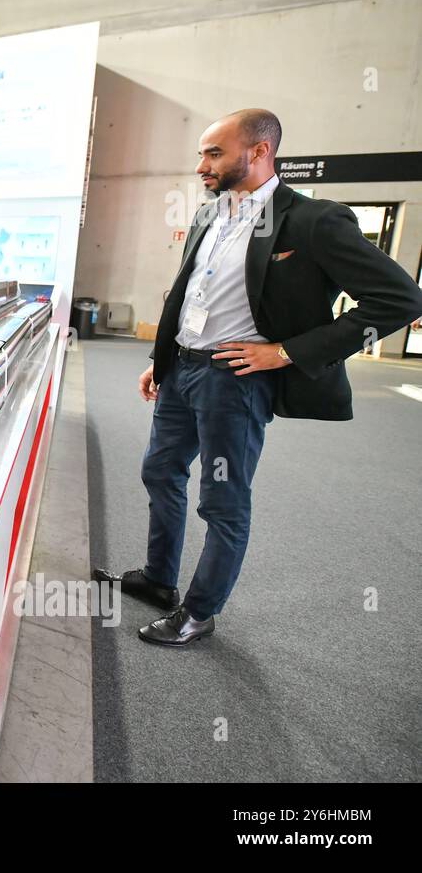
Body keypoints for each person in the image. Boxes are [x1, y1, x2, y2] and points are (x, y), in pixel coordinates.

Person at [94, 108, 422, 646]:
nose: (201, 164)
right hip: (182, 369)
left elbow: (400, 300)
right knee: (160, 471)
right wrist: (163, 357)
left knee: (222, 498)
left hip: (235, 378)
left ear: (260, 152)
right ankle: (158, 581)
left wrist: (287, 352)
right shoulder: (208, 216)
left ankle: (200, 612)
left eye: (214, 153)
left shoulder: (313, 221)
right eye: (201, 153)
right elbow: (189, 294)